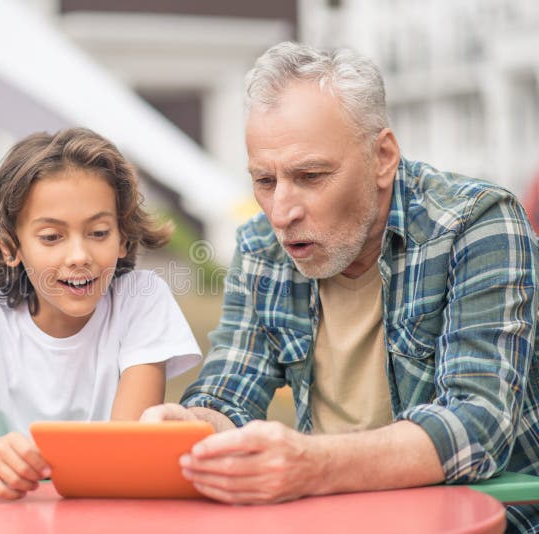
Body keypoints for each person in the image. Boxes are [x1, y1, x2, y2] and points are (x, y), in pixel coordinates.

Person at [141, 42, 539, 532]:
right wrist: (196, 425)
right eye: (264, 181)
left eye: (310, 176)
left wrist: (313, 464)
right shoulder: (261, 248)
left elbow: (477, 425)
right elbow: (229, 393)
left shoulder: (478, 224)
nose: (281, 213)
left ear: (382, 157)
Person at [0, 127, 201, 500]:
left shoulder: (142, 301)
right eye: (51, 237)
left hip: (108, 514)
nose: (79, 256)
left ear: (123, 237)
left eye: (98, 232)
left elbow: (124, 448)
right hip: (11, 517)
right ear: (10, 246)